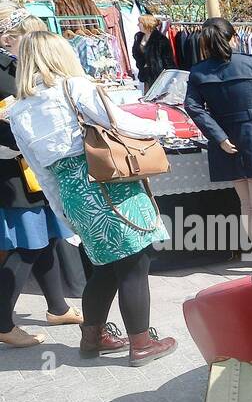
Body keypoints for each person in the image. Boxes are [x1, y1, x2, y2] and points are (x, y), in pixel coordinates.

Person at [7, 30, 176, 366]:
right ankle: (140, 343)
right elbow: (120, 121)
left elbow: (42, 172)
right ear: (60, 54)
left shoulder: (18, 112)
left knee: (106, 267)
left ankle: (93, 335)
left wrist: (62, 211)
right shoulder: (73, 87)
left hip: (73, 191)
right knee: (133, 263)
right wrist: (161, 127)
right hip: (105, 181)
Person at [184, 17, 252, 271]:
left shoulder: (199, 71)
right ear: (233, 37)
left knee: (247, 204)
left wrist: (219, 136)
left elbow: (192, 107)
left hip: (228, 142)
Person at [0, 8, 79, 347]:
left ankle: (57, 307)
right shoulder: (4, 72)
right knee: (28, 244)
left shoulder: (19, 67)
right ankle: (3, 323)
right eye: (26, 37)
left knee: (45, 237)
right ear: (8, 39)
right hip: (13, 171)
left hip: (32, 168)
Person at [131, 14, 174, 90]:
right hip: (146, 74)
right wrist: (142, 64)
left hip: (159, 76)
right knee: (147, 97)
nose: (137, 25)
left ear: (146, 23)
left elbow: (168, 60)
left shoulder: (161, 40)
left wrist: (169, 76)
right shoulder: (139, 37)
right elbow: (136, 54)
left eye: (139, 23)